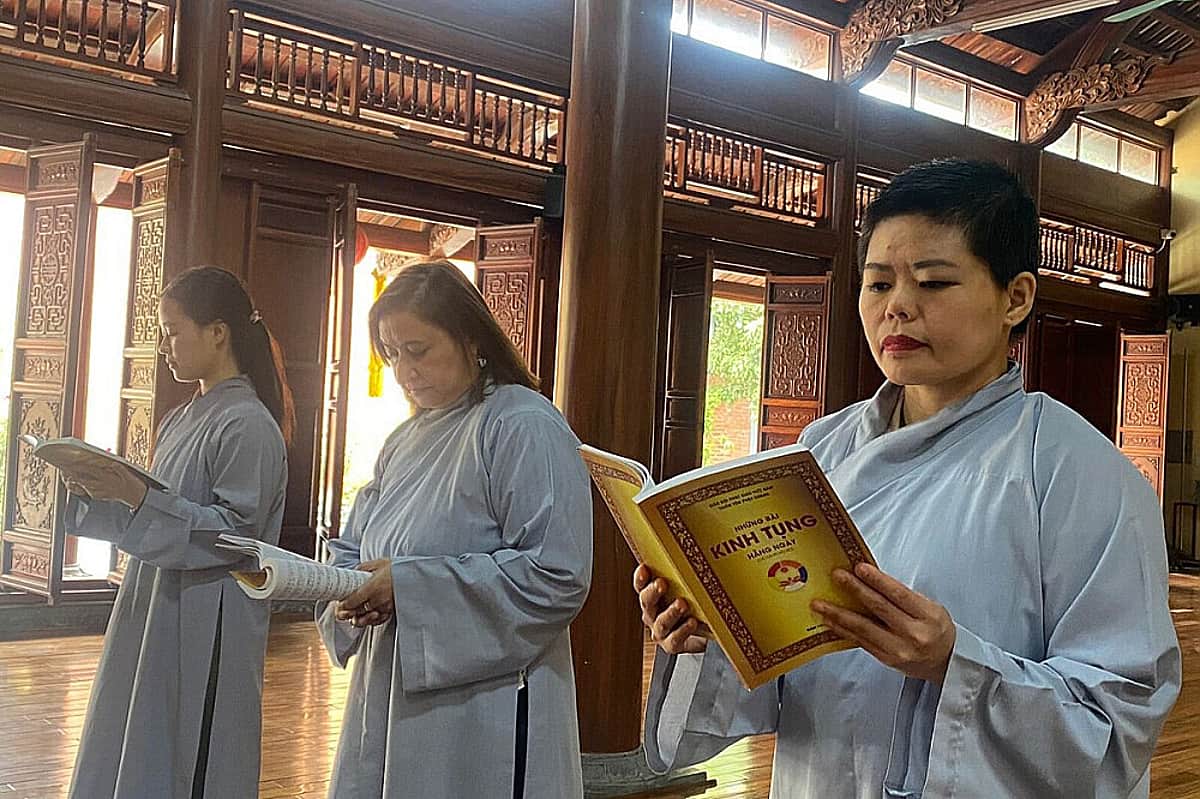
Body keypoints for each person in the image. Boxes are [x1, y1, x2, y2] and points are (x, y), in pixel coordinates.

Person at [636, 159, 1180, 798]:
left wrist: (952, 663)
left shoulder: (1075, 471)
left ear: (1016, 298)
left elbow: (1120, 716)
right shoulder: (819, 452)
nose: (897, 308)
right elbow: (791, 677)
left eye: (933, 282)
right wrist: (710, 630)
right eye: (877, 284)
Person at [317, 260, 592, 799]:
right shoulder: (403, 439)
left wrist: (411, 586)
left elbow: (556, 574)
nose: (402, 372)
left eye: (416, 351)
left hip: (484, 704)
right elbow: (357, 541)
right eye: (391, 354)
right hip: (391, 684)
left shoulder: (521, 424)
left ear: (470, 338)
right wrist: (340, 586)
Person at [60, 266, 292, 799]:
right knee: (138, 734)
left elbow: (236, 535)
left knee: (193, 751)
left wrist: (139, 497)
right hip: (154, 600)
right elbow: (147, 521)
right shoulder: (181, 419)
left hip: (209, 615)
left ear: (217, 332)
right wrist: (94, 490)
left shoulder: (247, 424)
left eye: (172, 330)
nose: (164, 344)